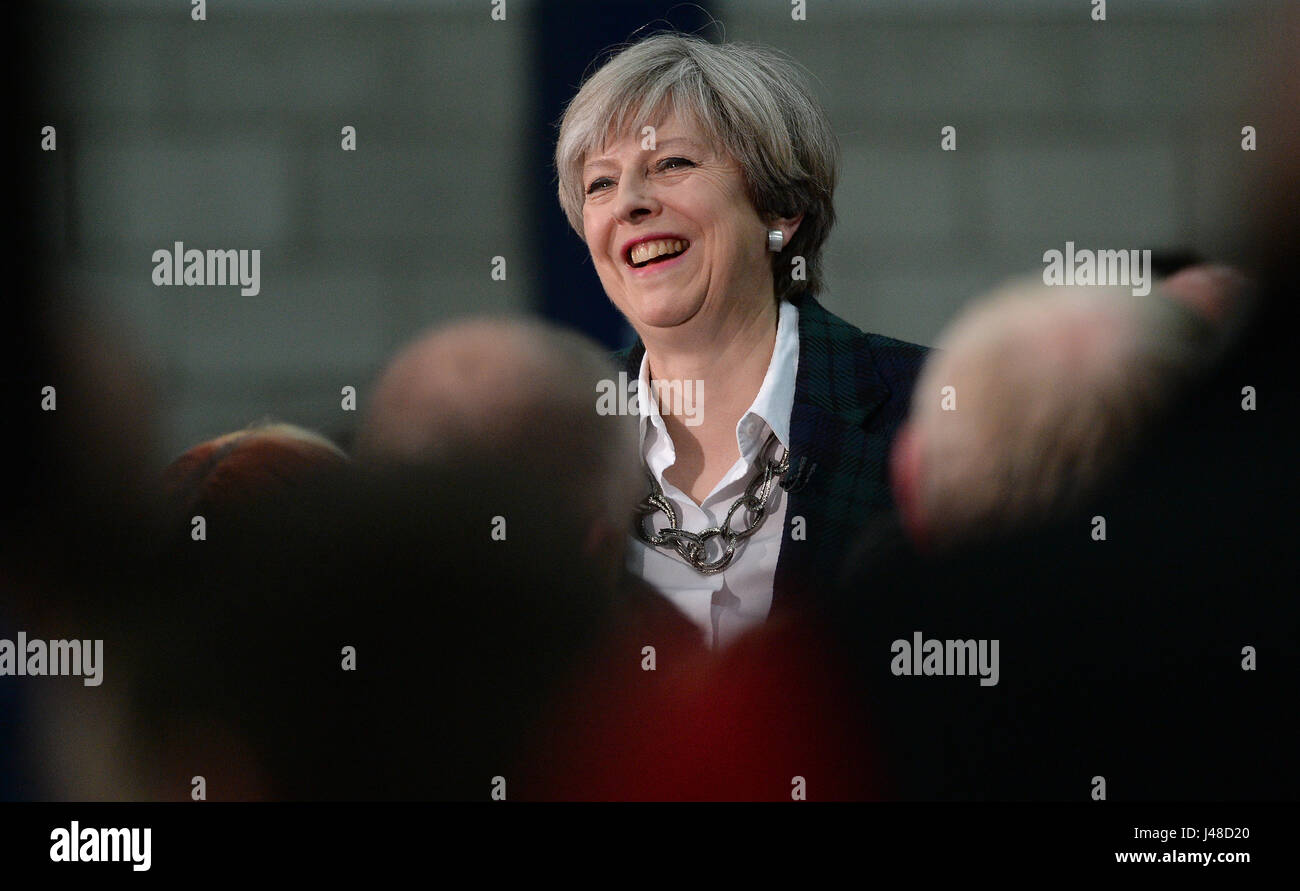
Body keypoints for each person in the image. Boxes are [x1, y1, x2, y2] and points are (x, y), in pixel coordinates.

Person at [554, 33, 928, 648]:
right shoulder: (547, 440)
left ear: (779, 209)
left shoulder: (926, 412)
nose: (630, 203)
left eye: (672, 164)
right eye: (600, 184)